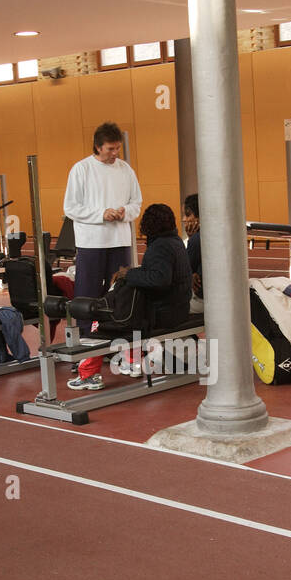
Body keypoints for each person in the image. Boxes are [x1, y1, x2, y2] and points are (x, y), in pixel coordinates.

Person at [68, 203, 190, 390]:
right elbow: (161, 273)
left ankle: (89, 375)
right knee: (127, 316)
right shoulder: (175, 242)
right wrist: (133, 272)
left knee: (103, 324)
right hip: (176, 308)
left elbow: (160, 279)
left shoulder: (160, 246)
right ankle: (132, 363)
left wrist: (128, 275)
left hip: (163, 314)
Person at [62, 122, 142, 333]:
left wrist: (125, 211)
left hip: (120, 240)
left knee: (121, 291)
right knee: (88, 292)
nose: (115, 153)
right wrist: (101, 214)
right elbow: (71, 207)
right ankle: (86, 338)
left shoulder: (126, 169)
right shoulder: (82, 169)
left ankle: (116, 334)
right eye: (110, 149)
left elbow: (137, 203)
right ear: (98, 147)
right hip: (92, 242)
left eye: (118, 148)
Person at [182, 193, 203, 314]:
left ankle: (135, 334)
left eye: (188, 214)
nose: (184, 219)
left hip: (202, 302)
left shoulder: (196, 239)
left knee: (143, 311)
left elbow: (183, 272)